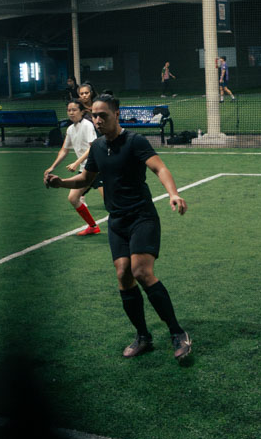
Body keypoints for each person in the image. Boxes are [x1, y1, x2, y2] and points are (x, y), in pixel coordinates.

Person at [45, 94, 192, 362]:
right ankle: (143, 336)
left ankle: (177, 332)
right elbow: (85, 178)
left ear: (117, 114)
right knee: (124, 274)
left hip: (142, 216)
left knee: (141, 271)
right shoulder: (98, 147)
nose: (98, 120)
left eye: (103, 115)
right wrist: (61, 183)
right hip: (117, 220)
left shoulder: (135, 141)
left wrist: (173, 193)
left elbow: (160, 168)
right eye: (95, 116)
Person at [43, 99, 102, 236]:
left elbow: (92, 147)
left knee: (111, 201)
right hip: (86, 168)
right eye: (69, 110)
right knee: (73, 198)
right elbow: (64, 150)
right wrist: (52, 167)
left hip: (98, 167)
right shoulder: (70, 129)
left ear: (82, 111)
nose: (71, 112)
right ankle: (93, 226)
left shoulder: (87, 125)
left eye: (74, 110)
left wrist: (76, 163)